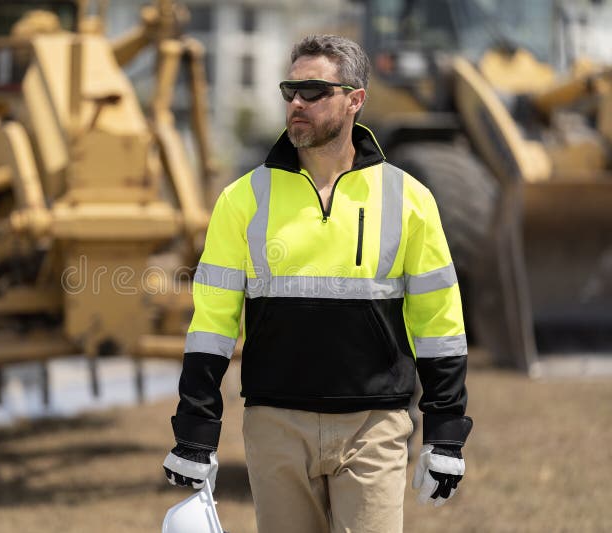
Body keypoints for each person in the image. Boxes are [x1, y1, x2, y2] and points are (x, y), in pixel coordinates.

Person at [163, 34, 473, 533]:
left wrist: (446, 432)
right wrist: (195, 433)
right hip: (275, 425)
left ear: (355, 100)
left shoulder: (408, 198)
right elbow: (211, 326)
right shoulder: (243, 199)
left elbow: (439, 322)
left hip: (374, 427)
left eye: (313, 92)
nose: (296, 104)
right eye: (291, 91)